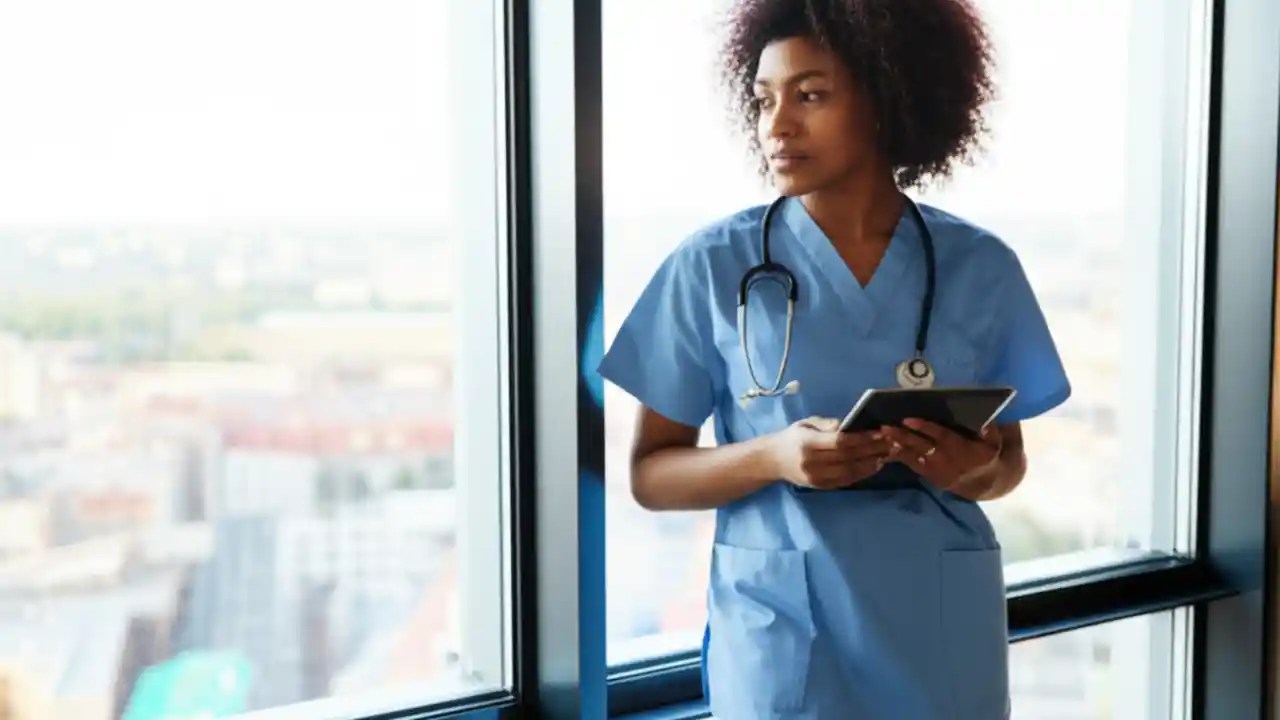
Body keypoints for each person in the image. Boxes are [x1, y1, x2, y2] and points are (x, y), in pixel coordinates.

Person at [596, 0, 1070, 718]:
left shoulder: (980, 267)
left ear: (887, 97)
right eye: (763, 100)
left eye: (810, 95)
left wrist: (969, 469)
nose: (777, 125)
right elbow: (650, 477)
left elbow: (1007, 463)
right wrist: (772, 459)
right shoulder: (712, 266)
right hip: (783, 626)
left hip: (937, 628)